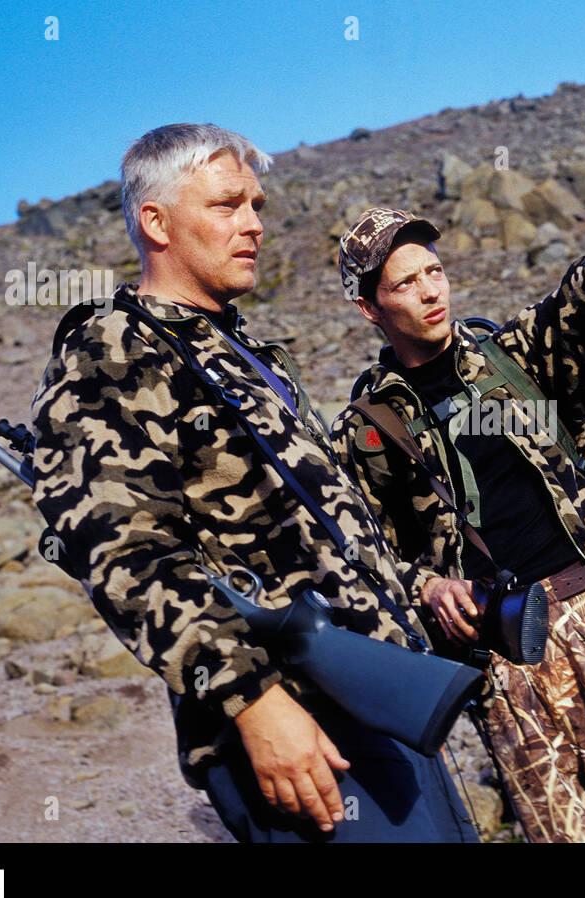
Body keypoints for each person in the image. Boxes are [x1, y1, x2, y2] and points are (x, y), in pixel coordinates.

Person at [30, 123, 477, 843]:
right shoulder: (113, 349)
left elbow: (331, 526)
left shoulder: (244, 350)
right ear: (155, 221)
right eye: (226, 205)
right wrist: (253, 701)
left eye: (257, 205)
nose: (254, 225)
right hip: (293, 722)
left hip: (376, 693)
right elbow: (124, 552)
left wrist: (418, 586)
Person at [332, 75, 585, 842]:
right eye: (404, 283)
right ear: (369, 307)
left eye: (433, 272)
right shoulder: (370, 424)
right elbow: (360, 548)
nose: (429, 293)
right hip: (505, 658)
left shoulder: (521, 357)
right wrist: (426, 585)